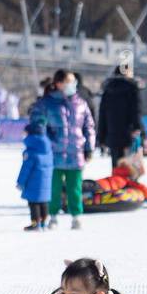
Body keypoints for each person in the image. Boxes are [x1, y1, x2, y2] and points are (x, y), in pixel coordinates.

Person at [30, 71, 94, 230]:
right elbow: (37, 125)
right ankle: (52, 216)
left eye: (73, 82)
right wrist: (43, 146)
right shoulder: (46, 103)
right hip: (53, 154)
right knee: (53, 188)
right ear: (58, 83)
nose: (72, 85)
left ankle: (76, 216)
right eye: (68, 81)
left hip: (76, 152)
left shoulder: (81, 103)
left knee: (75, 188)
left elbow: (89, 126)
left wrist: (89, 147)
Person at [97, 62, 144, 171]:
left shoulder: (108, 89)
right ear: (126, 72)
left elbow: (102, 114)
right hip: (128, 133)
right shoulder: (132, 88)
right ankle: (128, 186)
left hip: (112, 133)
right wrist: (137, 128)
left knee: (116, 165)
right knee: (130, 166)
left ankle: (117, 184)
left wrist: (101, 136)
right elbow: (136, 111)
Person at [16, 119, 54, 231]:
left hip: (33, 182)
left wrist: (20, 182)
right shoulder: (48, 149)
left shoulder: (31, 151)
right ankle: (43, 222)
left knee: (33, 203)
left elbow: (25, 169)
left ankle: (35, 223)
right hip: (45, 182)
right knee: (43, 201)